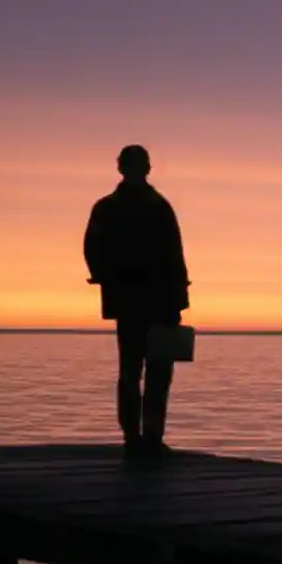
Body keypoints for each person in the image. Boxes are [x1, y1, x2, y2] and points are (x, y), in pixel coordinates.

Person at [84, 145, 189, 456]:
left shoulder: (142, 206)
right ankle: (140, 438)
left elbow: (174, 254)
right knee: (140, 371)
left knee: (145, 370)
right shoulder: (131, 206)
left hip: (150, 301)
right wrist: (103, 275)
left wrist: (178, 299)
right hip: (142, 301)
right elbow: (93, 248)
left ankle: (145, 438)